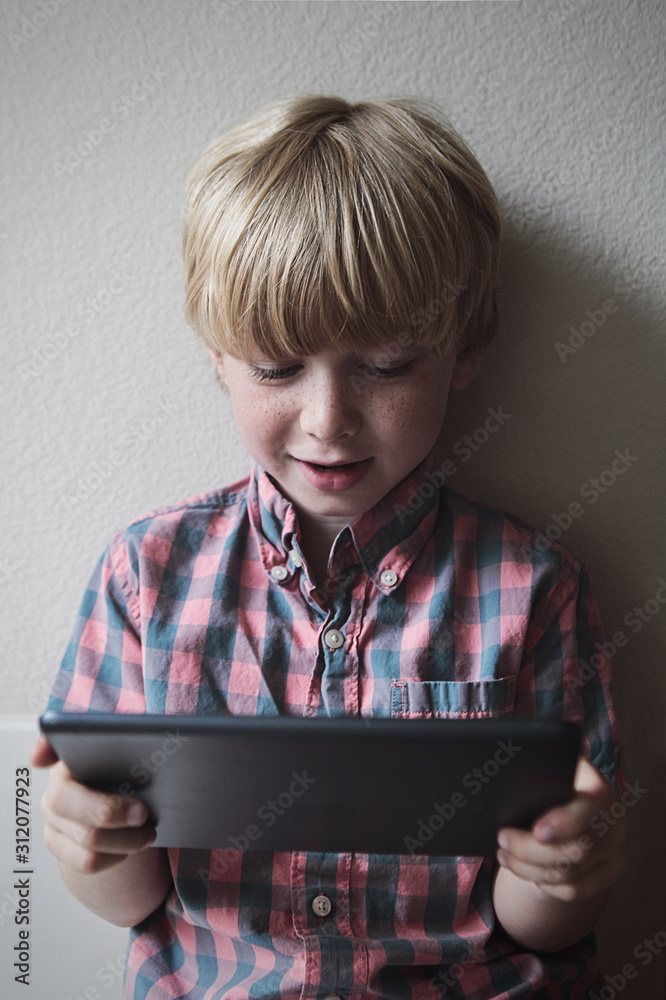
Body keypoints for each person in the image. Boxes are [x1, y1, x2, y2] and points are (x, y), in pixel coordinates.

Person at [32, 95, 626, 999]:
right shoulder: (146, 577)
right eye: (277, 367)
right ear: (218, 356)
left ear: (463, 352)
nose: (329, 420)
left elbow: (539, 922)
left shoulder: (535, 589)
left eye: (387, 366)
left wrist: (563, 871)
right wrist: (88, 846)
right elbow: (126, 902)